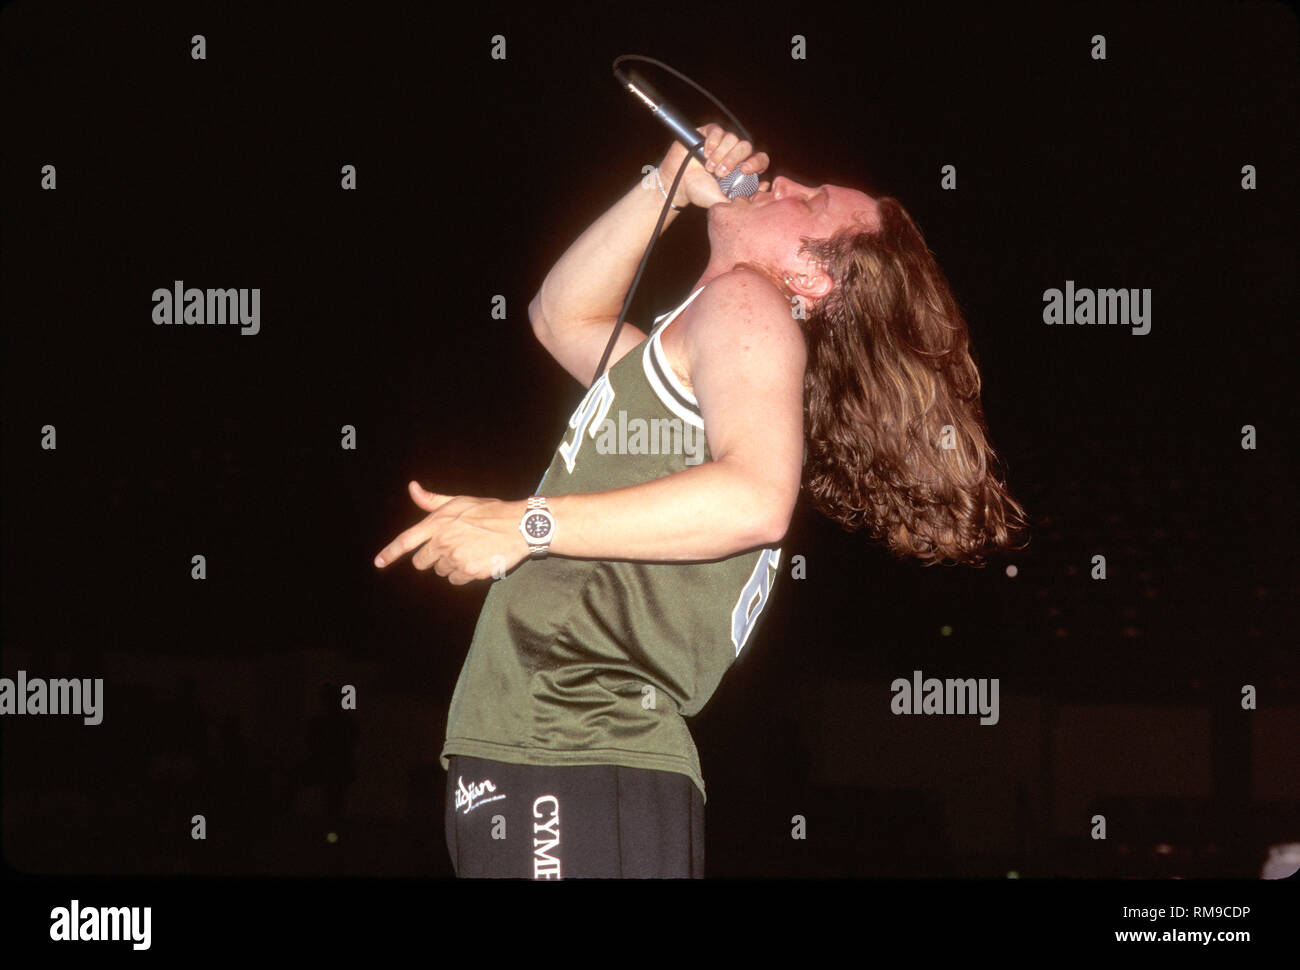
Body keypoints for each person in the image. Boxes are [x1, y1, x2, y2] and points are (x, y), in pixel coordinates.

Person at [374, 124, 1028, 879]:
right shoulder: (701, 338)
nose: (783, 181)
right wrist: (666, 186)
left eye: (809, 201)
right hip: (559, 747)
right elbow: (560, 318)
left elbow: (756, 499)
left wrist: (527, 524)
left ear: (812, 280)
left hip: (578, 738)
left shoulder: (748, 306)